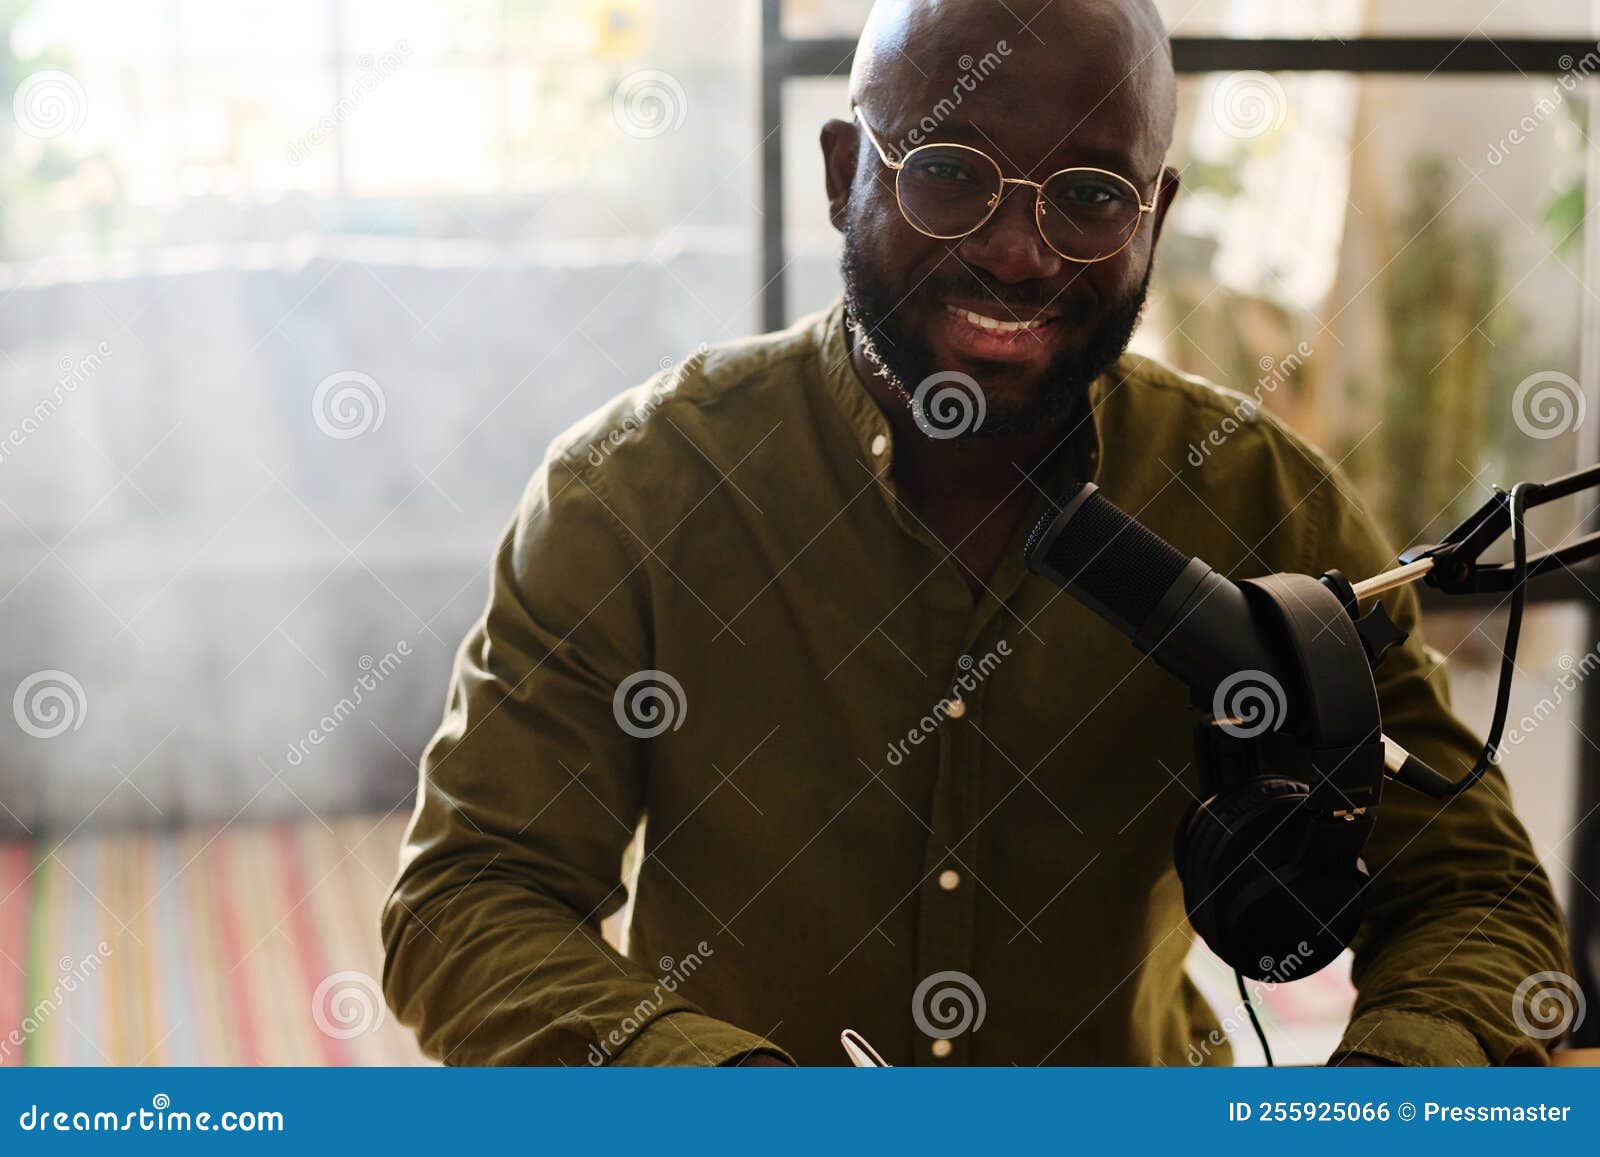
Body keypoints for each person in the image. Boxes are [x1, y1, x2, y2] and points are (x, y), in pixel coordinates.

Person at [381, 0, 1571, 1066]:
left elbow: (1473, 896)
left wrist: (1384, 1096)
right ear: (844, 170)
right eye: (949, 172)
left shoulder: (1265, 504)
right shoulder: (633, 491)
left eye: (1093, 196)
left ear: (1154, 213)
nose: (1018, 252)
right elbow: (470, 896)